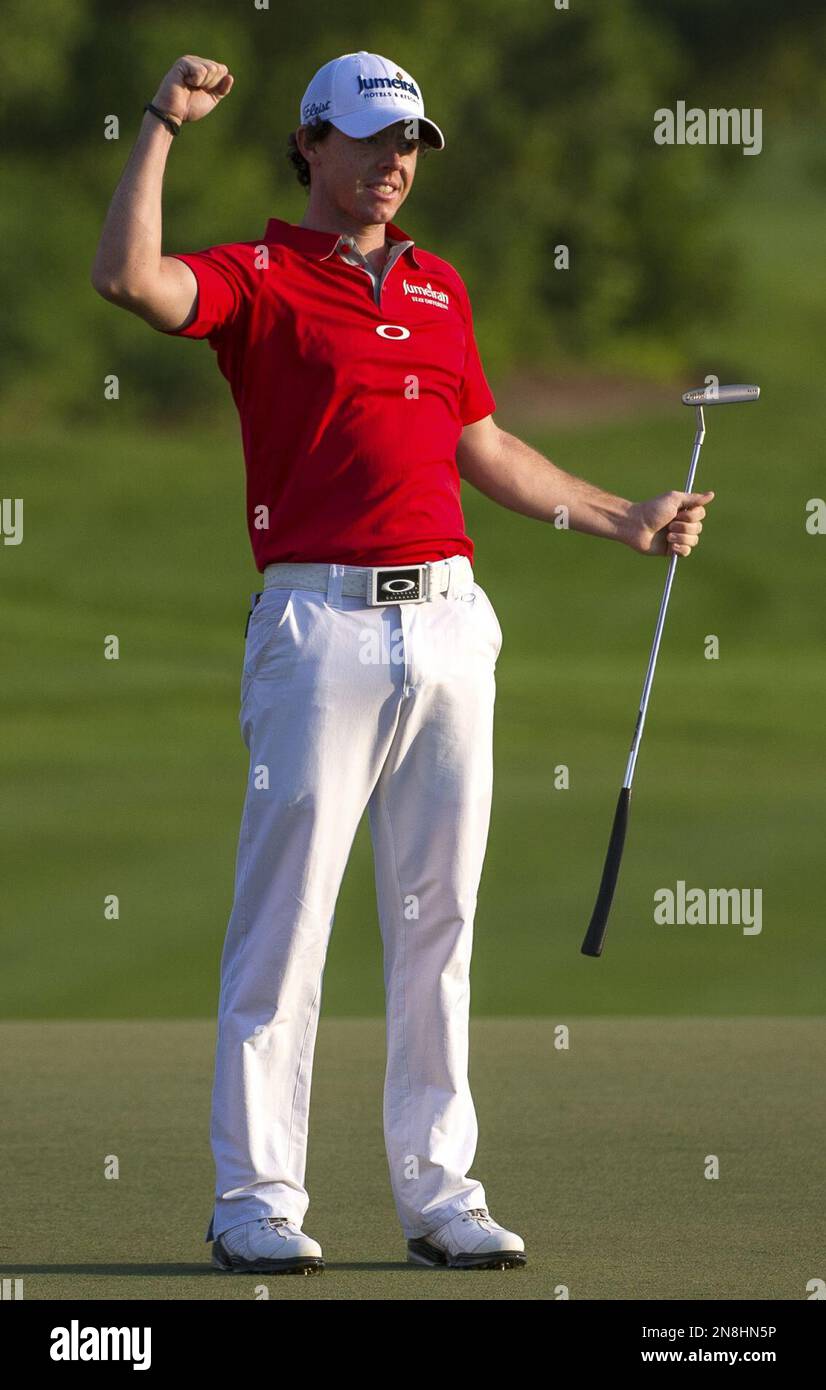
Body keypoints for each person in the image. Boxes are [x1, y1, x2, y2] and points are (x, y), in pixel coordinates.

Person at [91, 49, 713, 1276]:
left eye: (411, 143)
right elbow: (128, 280)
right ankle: (255, 1197)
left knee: (440, 919)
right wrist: (164, 120)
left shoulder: (440, 288)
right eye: (371, 140)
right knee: (288, 920)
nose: (395, 163)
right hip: (316, 625)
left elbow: (479, 439)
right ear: (310, 145)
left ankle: (440, 1193)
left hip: (448, 621)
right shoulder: (259, 276)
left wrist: (617, 515)